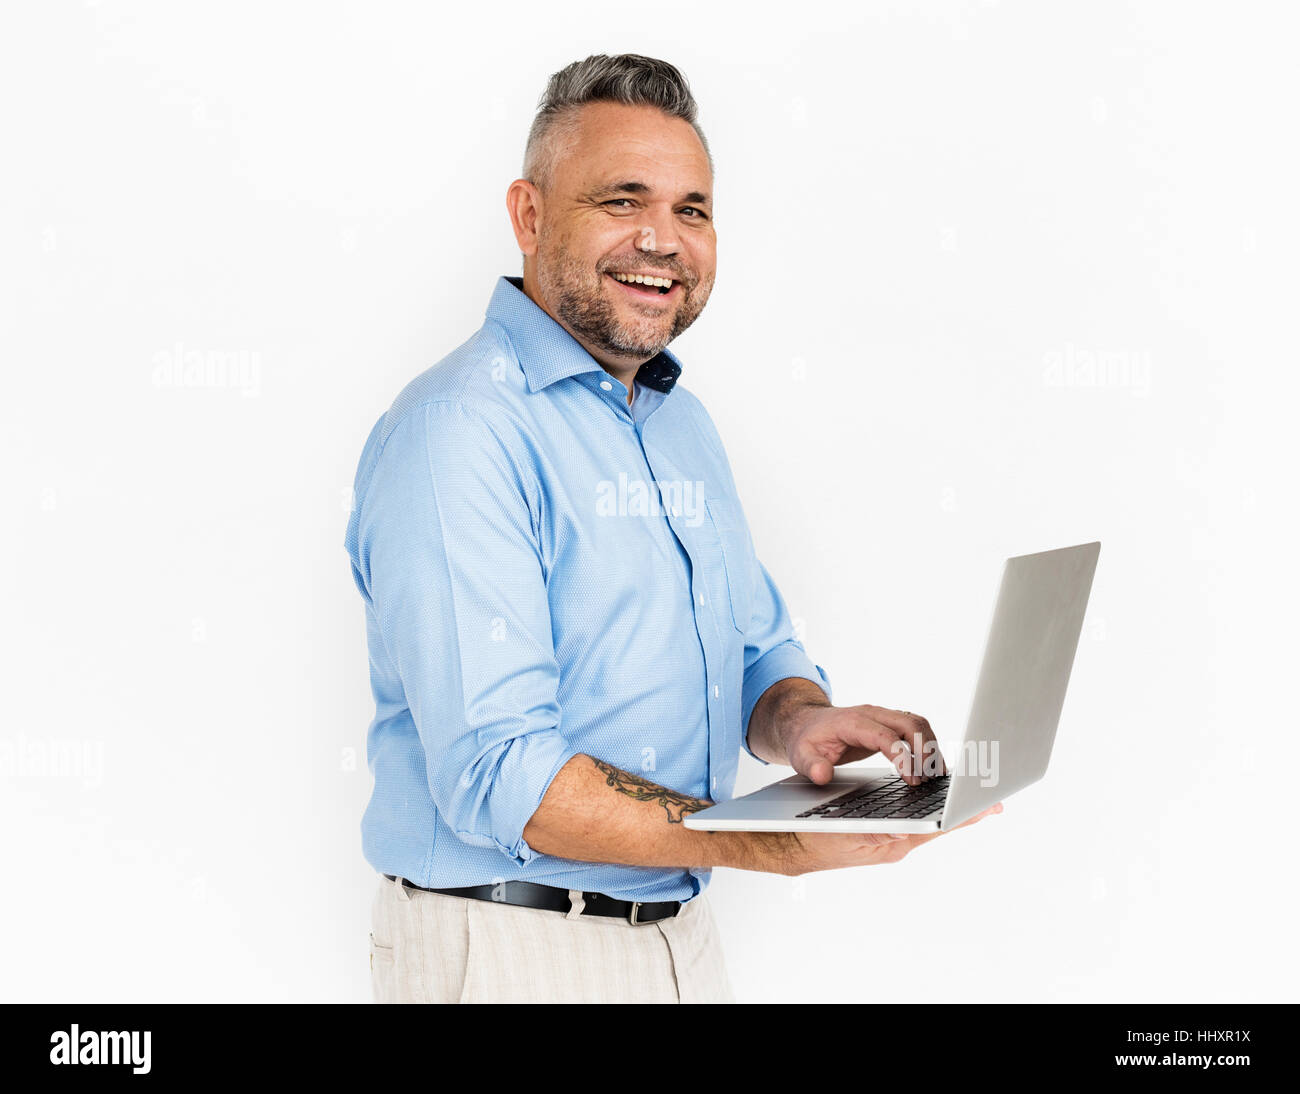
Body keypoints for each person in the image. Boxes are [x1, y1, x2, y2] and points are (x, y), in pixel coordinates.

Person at [344, 53, 999, 1004]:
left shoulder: (678, 426)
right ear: (529, 215)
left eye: (692, 209)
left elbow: (754, 646)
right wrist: (769, 844)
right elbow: (502, 773)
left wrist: (801, 720)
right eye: (623, 199)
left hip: (678, 944)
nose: (663, 239)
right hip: (513, 950)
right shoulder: (459, 434)